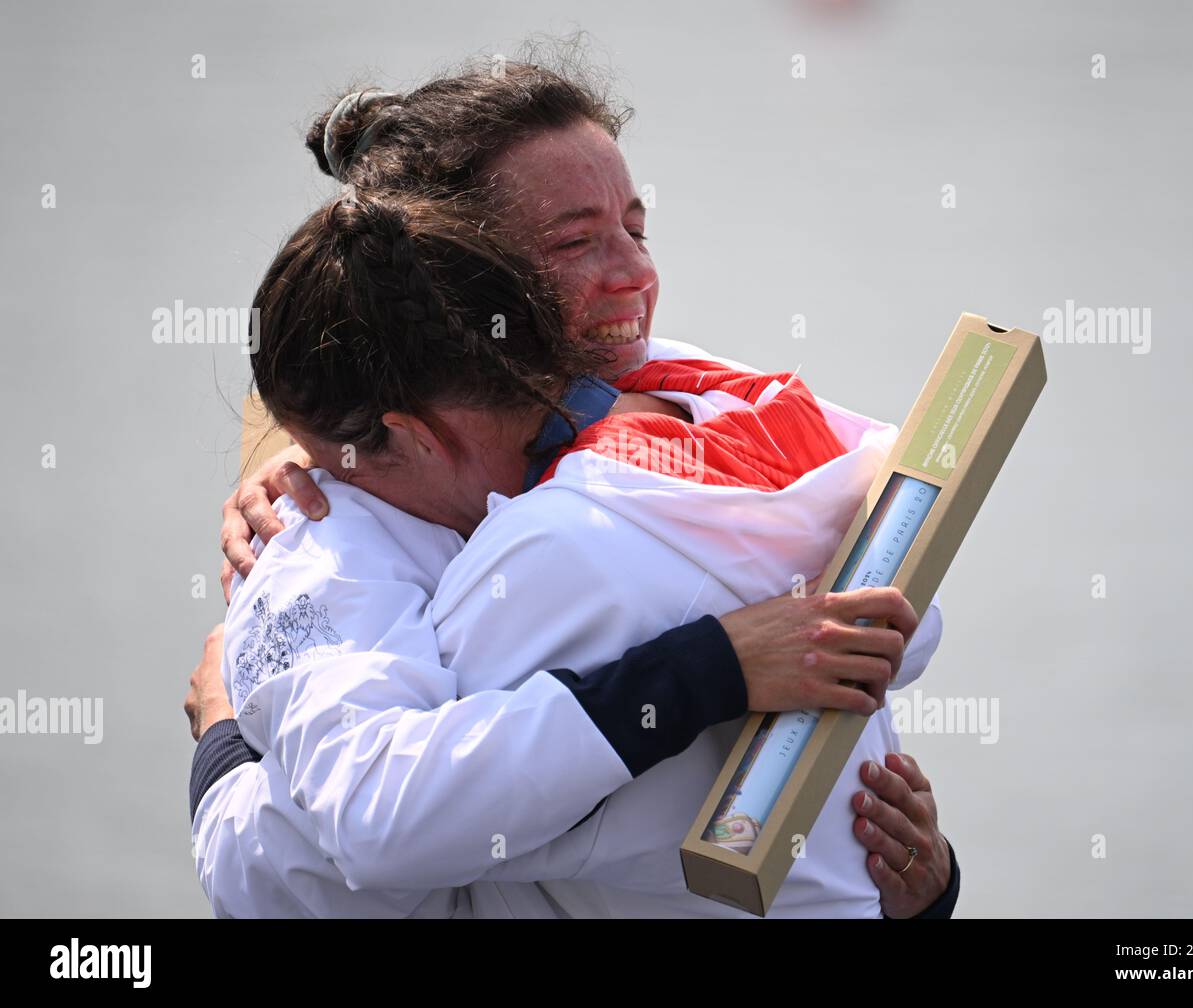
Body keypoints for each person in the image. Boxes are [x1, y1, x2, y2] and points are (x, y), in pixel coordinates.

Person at [199, 52, 958, 916]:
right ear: (463, 275)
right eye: (573, 241)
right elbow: (331, 861)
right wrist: (225, 739)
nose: (635, 272)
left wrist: (918, 888)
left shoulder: (678, 398)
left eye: (638, 228)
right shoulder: (358, 547)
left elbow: (891, 631)